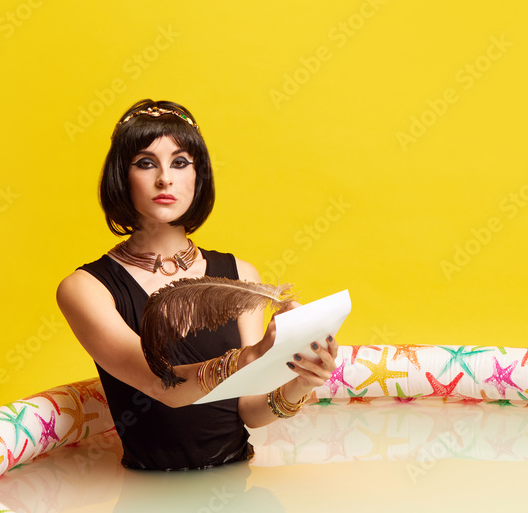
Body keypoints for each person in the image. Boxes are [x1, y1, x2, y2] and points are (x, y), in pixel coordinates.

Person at [56, 98, 338, 471]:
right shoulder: (86, 288)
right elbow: (162, 387)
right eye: (145, 163)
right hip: (148, 492)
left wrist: (302, 380)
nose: (165, 179)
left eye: (180, 162)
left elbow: (250, 411)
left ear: (197, 175)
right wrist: (254, 355)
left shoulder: (240, 273)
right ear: (121, 177)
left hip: (238, 483)